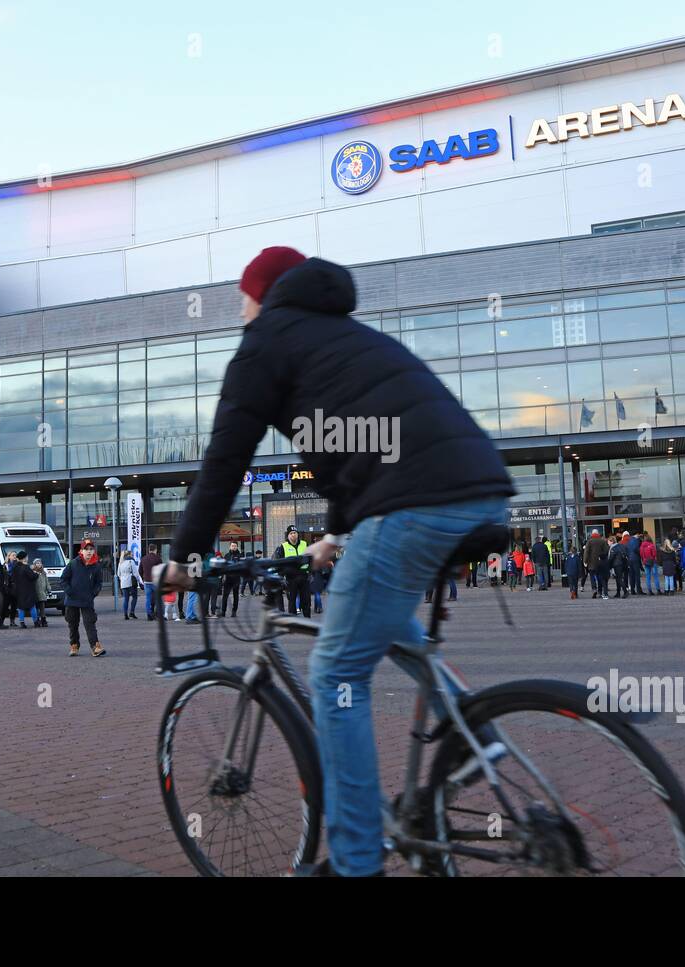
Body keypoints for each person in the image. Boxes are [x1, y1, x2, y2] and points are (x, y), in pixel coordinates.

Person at [156, 246, 513, 877]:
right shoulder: (346, 335)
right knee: (387, 619)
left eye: (242, 295)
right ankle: (476, 736)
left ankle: (355, 860)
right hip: (477, 488)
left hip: (415, 505)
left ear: (261, 294)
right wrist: (337, 537)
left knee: (335, 675)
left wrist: (186, 557)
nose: (239, 309)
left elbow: (225, 460)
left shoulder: (265, 342)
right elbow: (364, 446)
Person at [61, 540, 106, 657]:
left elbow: (99, 583)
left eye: (91, 549)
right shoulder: (73, 563)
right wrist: (69, 591)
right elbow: (63, 579)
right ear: (81, 551)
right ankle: (74, 645)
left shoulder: (96, 566)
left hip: (87, 599)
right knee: (72, 623)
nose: (89, 552)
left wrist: (94, 593)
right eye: (87, 549)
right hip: (72, 599)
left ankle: (95, 646)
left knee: (90, 623)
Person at [273, 525, 312, 617]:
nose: (293, 535)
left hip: (304, 577)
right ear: (288, 535)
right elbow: (280, 563)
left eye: (295, 533)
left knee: (306, 600)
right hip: (291, 578)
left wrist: (311, 572)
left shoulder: (305, 544)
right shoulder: (283, 547)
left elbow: (311, 559)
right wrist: (281, 577)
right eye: (291, 533)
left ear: (297, 534)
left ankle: (307, 619)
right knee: (292, 601)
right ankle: (293, 621)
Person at [12, 550, 38, 628]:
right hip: (28, 590)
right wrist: (36, 573)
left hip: (19, 590)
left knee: (21, 607)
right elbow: (32, 576)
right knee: (32, 606)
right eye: (26, 557)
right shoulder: (26, 567)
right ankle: (36, 622)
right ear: (24, 558)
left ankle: (22, 623)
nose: (27, 558)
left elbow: (13, 578)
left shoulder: (15, 567)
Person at [140, 543, 162, 621]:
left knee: (148, 599)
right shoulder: (158, 559)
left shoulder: (143, 559)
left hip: (146, 582)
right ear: (155, 549)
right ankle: (158, 614)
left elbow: (140, 571)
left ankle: (149, 615)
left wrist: (143, 578)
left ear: (149, 549)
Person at [220, 542, 243, 617]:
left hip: (236, 578)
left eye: (235, 546)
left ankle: (234, 611)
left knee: (235, 596)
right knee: (225, 596)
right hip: (228, 579)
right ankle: (223, 612)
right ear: (230, 547)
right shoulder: (226, 555)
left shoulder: (240, 556)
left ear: (237, 547)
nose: (234, 547)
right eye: (232, 546)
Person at [584, 529, 607, 599]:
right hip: (600, 562)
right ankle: (600, 591)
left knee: (592, 577)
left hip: (591, 563)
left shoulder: (589, 541)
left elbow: (586, 552)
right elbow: (606, 551)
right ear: (598, 533)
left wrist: (585, 561)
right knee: (600, 577)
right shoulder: (602, 541)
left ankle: (594, 589)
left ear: (592, 534)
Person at [118, 550, 140, 620]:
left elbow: (118, 574)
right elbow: (135, 573)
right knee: (134, 597)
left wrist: (122, 578)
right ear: (129, 555)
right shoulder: (131, 561)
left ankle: (125, 614)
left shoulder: (120, 562)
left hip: (123, 583)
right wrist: (139, 581)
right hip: (131, 582)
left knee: (126, 599)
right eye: (132, 554)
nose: (133, 556)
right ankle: (132, 612)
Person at [32, 560, 51, 627]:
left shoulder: (43, 572)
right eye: (37, 563)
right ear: (34, 564)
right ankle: (37, 620)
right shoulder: (33, 572)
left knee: (42, 607)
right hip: (36, 593)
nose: (39, 564)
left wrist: (49, 590)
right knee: (36, 608)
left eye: (40, 563)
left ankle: (43, 620)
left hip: (42, 592)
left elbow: (47, 581)